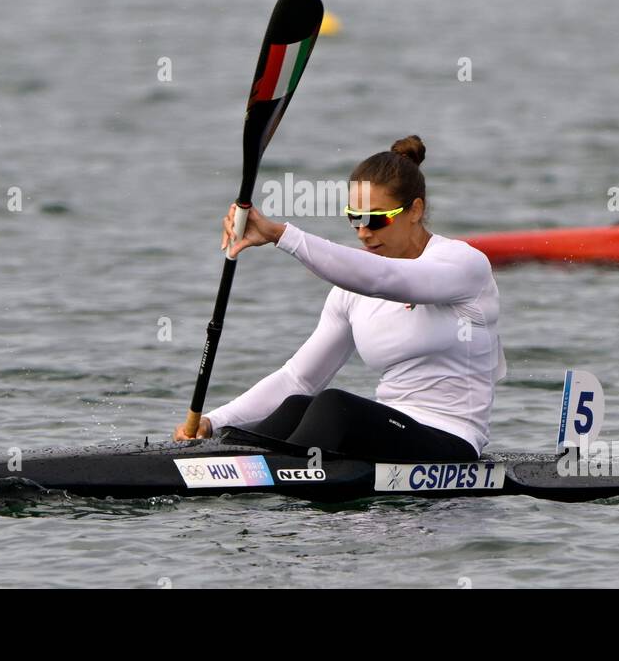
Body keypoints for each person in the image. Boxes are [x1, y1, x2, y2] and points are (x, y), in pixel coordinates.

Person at [172, 135, 505, 461]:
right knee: (295, 407)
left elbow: (385, 278)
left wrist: (279, 235)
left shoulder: (463, 265)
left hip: (451, 439)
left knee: (334, 407)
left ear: (415, 210)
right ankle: (218, 462)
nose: (363, 232)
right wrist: (215, 422)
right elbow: (298, 378)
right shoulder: (349, 294)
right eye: (354, 219)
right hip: (389, 431)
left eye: (375, 219)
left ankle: (259, 474)